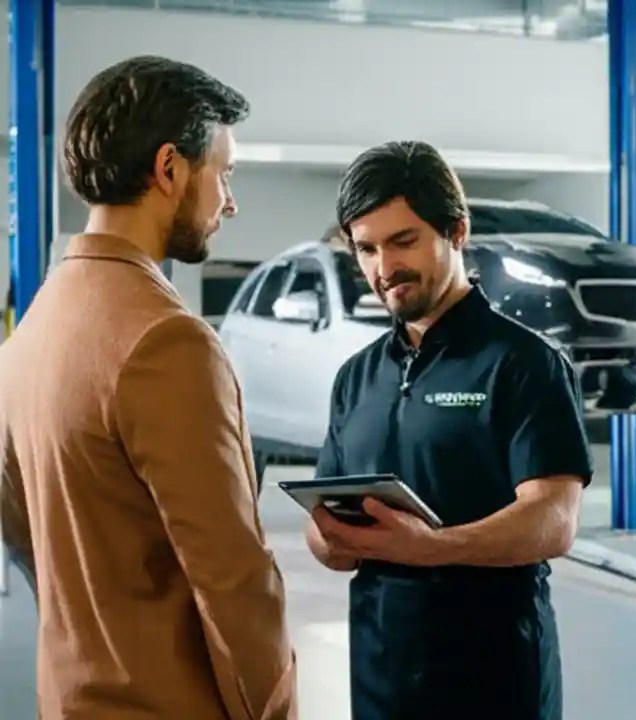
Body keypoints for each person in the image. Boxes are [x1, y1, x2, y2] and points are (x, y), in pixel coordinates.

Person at [0, 56, 297, 720]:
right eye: (224, 174)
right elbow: (234, 583)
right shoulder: (168, 342)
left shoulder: (32, 331)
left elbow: (23, 538)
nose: (230, 200)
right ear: (170, 169)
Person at [305, 140, 593, 720]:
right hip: (381, 674)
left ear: (456, 232)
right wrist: (331, 541)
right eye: (366, 249)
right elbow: (325, 522)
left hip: (493, 677)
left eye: (403, 241)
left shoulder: (524, 363)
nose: (384, 270)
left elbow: (553, 522)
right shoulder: (356, 378)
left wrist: (432, 549)